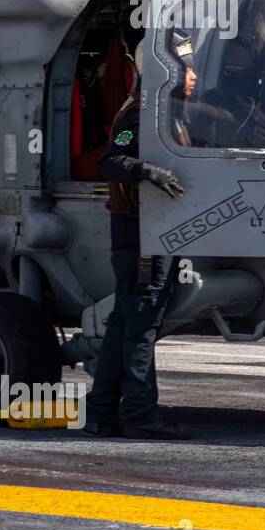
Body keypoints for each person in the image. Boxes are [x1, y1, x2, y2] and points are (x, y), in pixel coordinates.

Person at [87, 41, 192, 440]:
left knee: (123, 324)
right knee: (142, 325)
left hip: (148, 232)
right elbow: (110, 160)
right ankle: (140, 414)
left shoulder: (166, 113)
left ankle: (101, 413)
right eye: (188, 68)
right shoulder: (142, 113)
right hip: (140, 235)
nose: (194, 76)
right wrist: (148, 170)